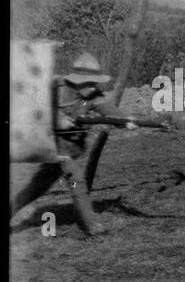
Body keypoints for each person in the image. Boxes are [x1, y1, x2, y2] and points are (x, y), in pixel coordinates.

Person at [9, 52, 142, 236]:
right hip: (54, 147)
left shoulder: (93, 95)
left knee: (36, 188)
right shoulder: (58, 88)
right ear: (76, 79)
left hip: (69, 150)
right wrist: (59, 118)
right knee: (76, 181)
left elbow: (108, 110)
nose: (90, 86)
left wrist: (126, 120)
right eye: (86, 82)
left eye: (93, 82)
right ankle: (92, 226)